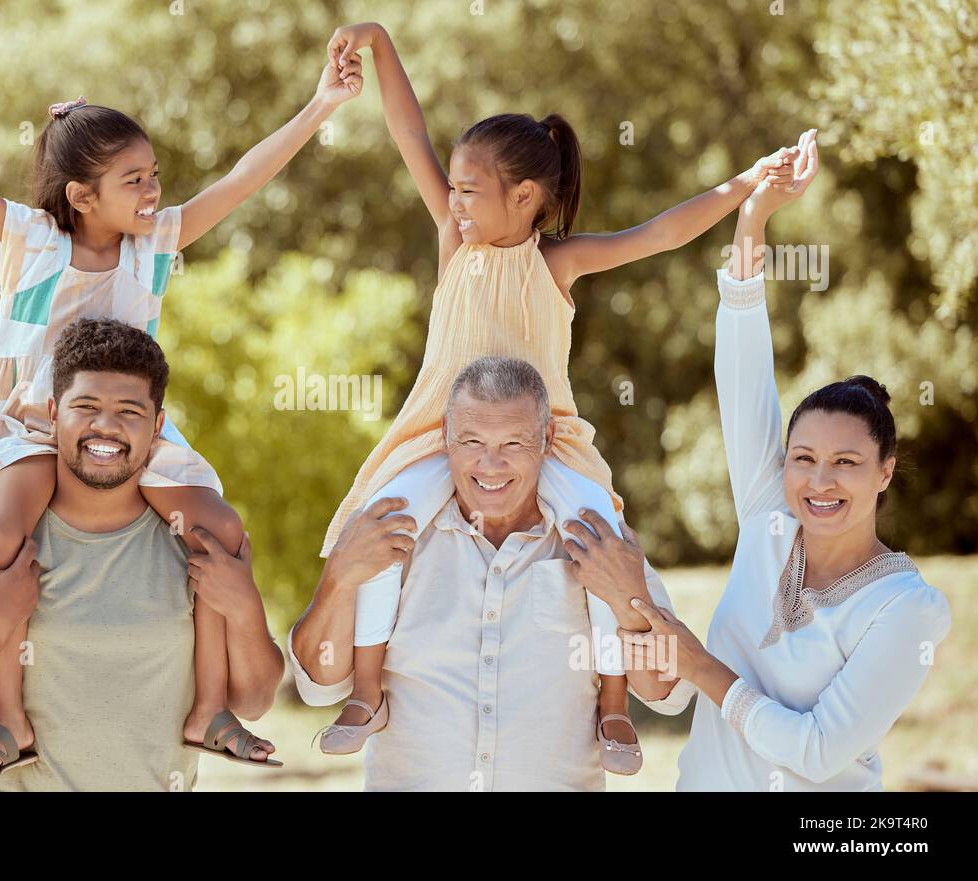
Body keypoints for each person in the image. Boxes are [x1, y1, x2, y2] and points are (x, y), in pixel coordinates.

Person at [0, 52, 361, 780]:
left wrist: (319, 108)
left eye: (154, 174)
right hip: (26, 424)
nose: (154, 190)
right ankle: (10, 718)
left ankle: (210, 707)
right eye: (135, 180)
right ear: (81, 196)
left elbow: (244, 179)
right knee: (2, 530)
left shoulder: (155, 245)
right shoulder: (30, 240)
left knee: (219, 526)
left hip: (122, 425)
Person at [312, 21, 797, 770]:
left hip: (548, 443)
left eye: (470, 189)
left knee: (599, 537)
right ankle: (367, 689)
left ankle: (611, 708)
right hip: (437, 436)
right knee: (381, 527)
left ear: (527, 195)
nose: (456, 200)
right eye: (455, 187)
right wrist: (378, 41)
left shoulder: (558, 264)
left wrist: (750, 184)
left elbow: (663, 233)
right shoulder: (455, 240)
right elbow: (407, 131)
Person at [588, 131, 951, 790]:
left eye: (846, 462)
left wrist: (699, 665)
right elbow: (742, 363)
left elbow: (814, 752)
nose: (817, 480)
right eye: (803, 456)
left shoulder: (907, 608)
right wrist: (754, 217)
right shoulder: (770, 516)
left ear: (886, 470)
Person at [0, 318, 285, 790]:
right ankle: (9, 722)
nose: (107, 426)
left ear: (158, 425)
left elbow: (256, 700)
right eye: (86, 406)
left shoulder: (192, 543)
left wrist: (245, 608)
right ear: (53, 413)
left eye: (129, 411)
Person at [289, 355, 699, 790]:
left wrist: (627, 599)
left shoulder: (599, 540)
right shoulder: (391, 536)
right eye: (472, 442)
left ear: (547, 438)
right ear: (446, 436)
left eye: (513, 445)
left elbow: (665, 693)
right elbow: (318, 685)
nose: (491, 466)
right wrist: (338, 578)